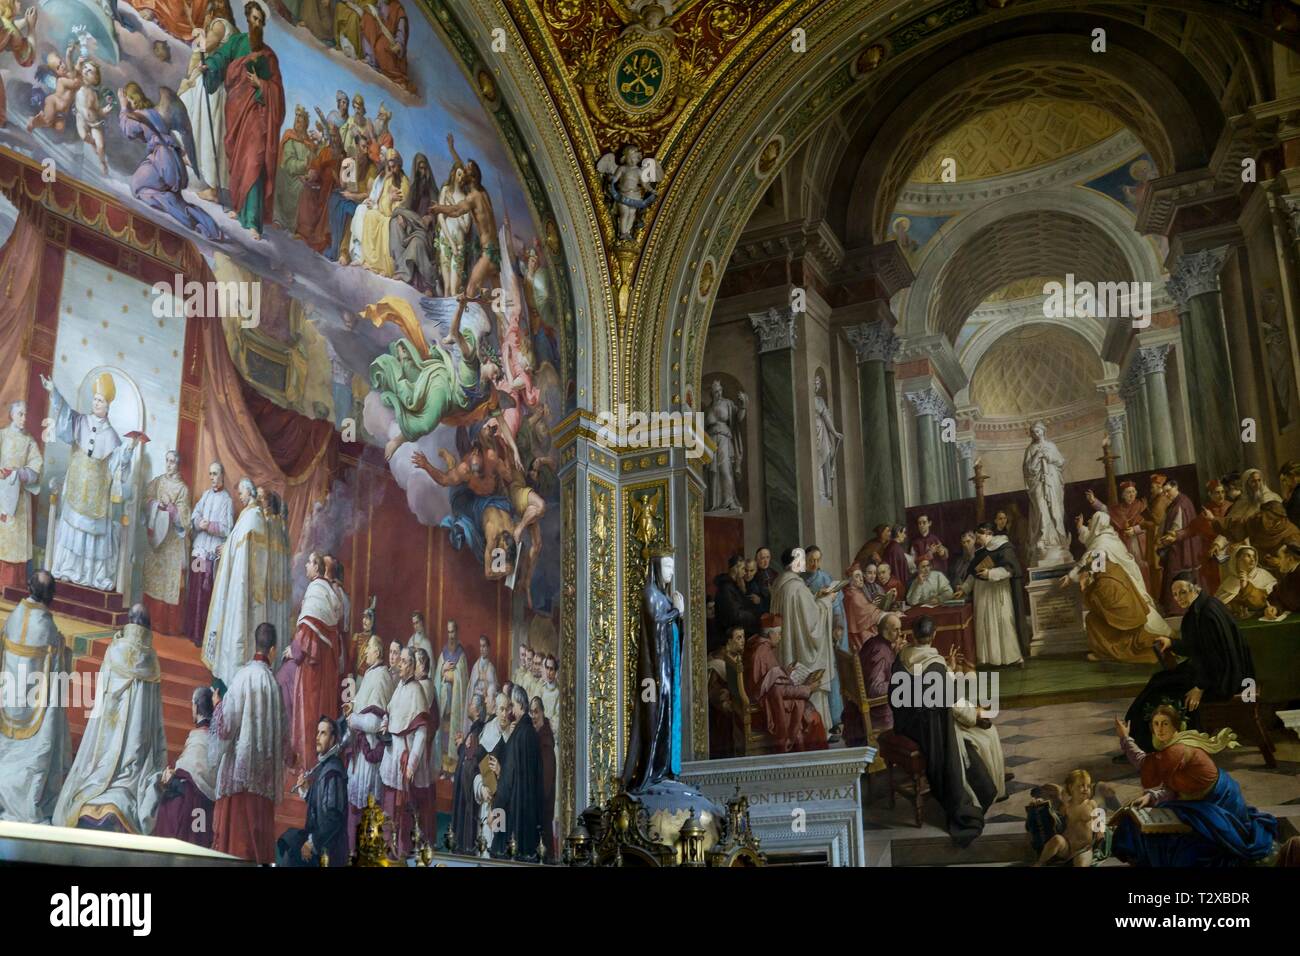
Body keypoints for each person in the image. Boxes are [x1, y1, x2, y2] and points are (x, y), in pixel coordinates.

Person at [1111, 707, 1276, 866]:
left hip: (1217, 802)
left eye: (1165, 723)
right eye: (1156, 724)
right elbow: (1174, 786)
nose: (1160, 729)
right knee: (1137, 823)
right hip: (1195, 801)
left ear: (1176, 725)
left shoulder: (1178, 749)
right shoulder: (1172, 747)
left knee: (1183, 846)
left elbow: (1144, 764)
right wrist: (1152, 796)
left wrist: (1125, 738)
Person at [889, 614, 1001, 847]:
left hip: (906, 724)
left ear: (912, 635)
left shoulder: (903, 656)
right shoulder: (935, 666)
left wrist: (948, 671)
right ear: (935, 635)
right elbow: (954, 706)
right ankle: (988, 789)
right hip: (931, 731)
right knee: (984, 735)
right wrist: (977, 714)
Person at [54, 605, 166, 833]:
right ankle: (118, 797)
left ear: (130, 621)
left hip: (107, 734)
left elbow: (102, 696)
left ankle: (96, 797)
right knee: (132, 766)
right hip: (137, 741)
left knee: (99, 762)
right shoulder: (151, 659)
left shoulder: (115, 650)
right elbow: (155, 716)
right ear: (147, 626)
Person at [1123, 573, 1256, 752]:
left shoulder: (1206, 613)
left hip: (1223, 679)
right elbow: (1199, 647)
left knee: (1160, 689)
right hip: (1216, 672)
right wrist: (1172, 643)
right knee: (1158, 680)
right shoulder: (1203, 606)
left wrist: (1199, 688)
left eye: (1183, 592)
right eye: (1175, 595)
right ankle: (1140, 742)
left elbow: (1216, 657)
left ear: (1196, 589)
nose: (1178, 598)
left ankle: (1150, 746)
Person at [40, 372, 136, 591]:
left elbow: (118, 463)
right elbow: (64, 413)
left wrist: (129, 449)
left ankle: (89, 575)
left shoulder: (112, 435)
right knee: (73, 524)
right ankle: (66, 569)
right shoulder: (80, 421)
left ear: (108, 406)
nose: (96, 403)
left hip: (97, 494)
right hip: (76, 486)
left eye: (100, 400)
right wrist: (53, 392)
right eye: (95, 399)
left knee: (91, 532)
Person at [202, 0, 286, 238]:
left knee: (255, 160)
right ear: (247, 18)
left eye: (260, 21)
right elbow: (220, 59)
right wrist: (209, 66)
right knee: (239, 160)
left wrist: (262, 85)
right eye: (253, 19)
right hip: (236, 110)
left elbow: (278, 91)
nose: (256, 24)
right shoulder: (236, 43)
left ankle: (253, 221)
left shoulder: (269, 56)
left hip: (258, 114)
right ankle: (240, 209)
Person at [210, 622, 285, 863]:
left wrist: (217, 705)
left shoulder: (242, 677)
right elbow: (283, 735)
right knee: (257, 847)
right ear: (273, 649)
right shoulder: (274, 686)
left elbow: (226, 726)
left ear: (256, 644)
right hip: (262, 782)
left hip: (239, 780)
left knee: (235, 845)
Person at [0, 571, 70, 823]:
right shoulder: (48, 629)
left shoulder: (14, 617)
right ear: (51, 596)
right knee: (32, 756)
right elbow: (58, 668)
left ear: (29, 587)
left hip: (7, 701)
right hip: (34, 711)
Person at [1059, 510, 1171, 660]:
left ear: (1098, 524)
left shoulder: (1101, 544)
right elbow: (1091, 539)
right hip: (1122, 581)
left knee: (1102, 619)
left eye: (1091, 520)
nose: (1089, 522)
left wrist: (1071, 577)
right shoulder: (1108, 535)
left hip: (1115, 586)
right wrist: (1080, 527)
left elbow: (1091, 562)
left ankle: (1111, 651)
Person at [117, 83, 222, 238]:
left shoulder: (139, 115)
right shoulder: (156, 112)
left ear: (131, 98)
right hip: (172, 158)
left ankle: (180, 211)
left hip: (162, 160)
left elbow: (128, 130)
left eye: (128, 99)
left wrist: (123, 107)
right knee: (166, 193)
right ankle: (207, 226)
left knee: (138, 186)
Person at [201, 478, 268, 684]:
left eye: (241, 493)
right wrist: (228, 545)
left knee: (237, 632)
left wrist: (227, 547)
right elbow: (236, 543)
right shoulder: (249, 515)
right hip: (236, 585)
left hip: (241, 588)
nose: (239, 497)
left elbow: (246, 554)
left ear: (249, 492)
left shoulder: (253, 517)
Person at [281, 551, 343, 772]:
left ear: (316, 568)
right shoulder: (328, 591)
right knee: (319, 713)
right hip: (324, 667)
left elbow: (306, 635)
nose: (306, 566)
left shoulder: (316, 590)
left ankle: (306, 765)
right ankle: (314, 764)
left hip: (311, 670)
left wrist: (293, 651)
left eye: (309, 562)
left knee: (307, 714)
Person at [770, 547, 837, 730]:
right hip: (801, 649)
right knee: (810, 678)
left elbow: (799, 611)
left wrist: (816, 596)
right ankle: (817, 730)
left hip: (788, 646)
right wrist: (827, 601)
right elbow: (812, 621)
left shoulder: (781, 582)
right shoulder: (797, 587)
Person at [743, 613, 828, 753]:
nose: (781, 637)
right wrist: (807, 688)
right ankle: (812, 762)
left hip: (763, 701)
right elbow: (777, 690)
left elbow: (769, 680)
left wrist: (785, 673)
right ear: (770, 634)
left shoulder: (757, 645)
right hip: (764, 710)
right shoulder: (763, 652)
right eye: (779, 633)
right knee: (814, 718)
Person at [342, 633, 394, 855]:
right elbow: (364, 705)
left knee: (369, 808)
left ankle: (367, 854)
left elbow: (375, 722)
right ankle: (353, 852)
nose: (365, 652)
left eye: (368, 649)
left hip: (370, 753)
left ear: (378, 652)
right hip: (360, 752)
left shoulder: (381, 677)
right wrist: (352, 707)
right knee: (356, 806)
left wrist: (353, 719)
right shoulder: (371, 673)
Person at [379, 646, 431, 856]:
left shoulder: (417, 690)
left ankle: (401, 851)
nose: (399, 665)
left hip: (405, 758)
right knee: (389, 805)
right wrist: (385, 722)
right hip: (392, 754)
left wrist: (412, 765)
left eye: (403, 661)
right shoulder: (400, 686)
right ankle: (387, 849)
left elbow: (421, 733)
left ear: (411, 665)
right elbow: (389, 711)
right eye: (399, 661)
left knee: (403, 811)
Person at [953, 521, 1025, 666]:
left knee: (1004, 623)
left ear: (987, 533)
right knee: (986, 625)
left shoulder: (1004, 548)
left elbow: (1010, 570)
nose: (977, 540)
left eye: (979, 536)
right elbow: (973, 574)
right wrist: (964, 588)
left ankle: (1014, 657)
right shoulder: (981, 552)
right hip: (982, 594)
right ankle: (990, 659)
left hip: (998, 592)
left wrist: (990, 573)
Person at [278, 716, 348, 866]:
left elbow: (333, 818)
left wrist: (311, 844)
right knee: (286, 842)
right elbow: (321, 805)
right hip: (318, 838)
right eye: (318, 732)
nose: (317, 737)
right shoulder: (324, 767)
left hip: (327, 849)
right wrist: (306, 791)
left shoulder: (333, 773)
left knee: (289, 858)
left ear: (333, 739)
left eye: (323, 733)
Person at [152, 687, 217, 847]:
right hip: (207, 808)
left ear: (195, 707)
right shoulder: (215, 739)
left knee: (164, 808)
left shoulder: (198, 737)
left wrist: (171, 777)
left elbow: (189, 773)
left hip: (189, 802)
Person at [490, 684, 545, 858]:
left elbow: (507, 781)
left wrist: (496, 811)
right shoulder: (532, 735)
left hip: (513, 814)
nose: (511, 710)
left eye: (513, 705)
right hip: (530, 816)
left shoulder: (518, 736)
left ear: (521, 706)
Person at [141, 450, 191, 636]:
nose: (169, 465)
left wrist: (172, 510)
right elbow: (146, 500)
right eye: (167, 461)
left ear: (178, 464)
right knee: (152, 579)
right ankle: (148, 622)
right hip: (157, 542)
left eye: (173, 462)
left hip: (172, 544)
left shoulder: (183, 489)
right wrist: (156, 504)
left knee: (169, 584)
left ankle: (166, 627)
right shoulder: (158, 481)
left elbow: (185, 518)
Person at [186, 462, 232, 647]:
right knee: (194, 587)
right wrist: (199, 522)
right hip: (199, 551)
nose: (212, 477)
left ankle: (201, 635)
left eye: (215, 474)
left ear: (222, 476)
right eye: (210, 474)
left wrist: (210, 526)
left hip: (211, 553)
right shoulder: (205, 495)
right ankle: (191, 630)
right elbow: (194, 515)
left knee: (205, 593)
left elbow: (228, 528)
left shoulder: (227, 500)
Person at [0, 401, 42, 589]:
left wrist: (18, 474)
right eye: (20, 414)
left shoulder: (30, 442)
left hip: (19, 499)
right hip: (1, 492)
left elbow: (35, 469)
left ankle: (11, 586)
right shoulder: (2, 435)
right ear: (12, 415)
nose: (24, 419)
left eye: (26, 415)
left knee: (15, 540)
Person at [1085, 481, 1150, 590]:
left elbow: (1150, 524)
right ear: (1123, 495)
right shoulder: (1118, 509)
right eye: (1128, 492)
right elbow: (1105, 510)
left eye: (1133, 492)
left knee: (1142, 566)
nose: (1131, 494)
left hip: (1140, 542)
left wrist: (1135, 530)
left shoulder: (1142, 506)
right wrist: (1093, 500)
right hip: (1124, 543)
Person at [1156, 478, 1202, 616]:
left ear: (1175, 487)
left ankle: (1177, 609)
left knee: (1175, 575)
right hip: (1179, 545)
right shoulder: (1177, 503)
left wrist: (1166, 540)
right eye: (1164, 492)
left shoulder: (1181, 504)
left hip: (1182, 548)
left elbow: (1178, 529)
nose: (1166, 494)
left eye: (1168, 491)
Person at [857, 610, 907, 734]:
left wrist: (895, 653)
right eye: (896, 630)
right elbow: (875, 689)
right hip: (880, 712)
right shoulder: (881, 652)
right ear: (885, 631)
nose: (900, 633)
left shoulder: (873, 642)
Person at [433, 619, 468, 778]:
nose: (451, 635)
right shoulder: (444, 653)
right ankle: (444, 768)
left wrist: (453, 676)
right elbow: (436, 676)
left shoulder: (461, 655)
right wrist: (442, 669)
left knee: (453, 735)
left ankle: (453, 769)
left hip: (455, 704)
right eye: (448, 632)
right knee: (444, 736)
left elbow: (463, 678)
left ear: (457, 632)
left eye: (453, 631)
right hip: (444, 705)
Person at [707, 627, 746, 758]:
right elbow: (713, 690)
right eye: (738, 638)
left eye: (743, 637)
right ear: (729, 641)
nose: (742, 641)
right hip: (721, 712)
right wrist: (725, 700)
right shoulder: (718, 661)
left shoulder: (738, 654)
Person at [1215, 545, 1276, 620]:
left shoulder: (1263, 575)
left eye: (1254, 556)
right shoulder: (1230, 581)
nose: (1252, 559)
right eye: (1248, 556)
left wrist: (1246, 586)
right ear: (1237, 559)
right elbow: (1219, 605)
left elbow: (1269, 600)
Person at [529, 695, 557, 860]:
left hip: (542, 807)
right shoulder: (537, 736)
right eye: (531, 712)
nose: (533, 716)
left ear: (543, 712)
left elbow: (545, 784)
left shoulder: (545, 742)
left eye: (536, 712)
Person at [714, 554, 760, 643]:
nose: (745, 572)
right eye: (743, 569)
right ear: (735, 569)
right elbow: (734, 615)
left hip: (737, 631)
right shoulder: (726, 588)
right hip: (729, 636)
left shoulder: (735, 585)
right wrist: (753, 615)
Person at [842, 564, 884, 652]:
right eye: (857, 576)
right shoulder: (853, 595)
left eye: (861, 576)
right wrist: (885, 614)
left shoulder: (854, 592)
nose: (861, 579)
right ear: (850, 579)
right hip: (859, 635)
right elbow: (868, 612)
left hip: (862, 630)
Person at [469, 633, 498, 707]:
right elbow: (472, 687)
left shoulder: (491, 668)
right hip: (477, 699)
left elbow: (494, 686)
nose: (481, 649)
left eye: (484, 646)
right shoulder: (476, 666)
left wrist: (489, 692)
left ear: (488, 648)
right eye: (480, 646)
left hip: (488, 699)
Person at [749, 546, 779, 614]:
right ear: (756, 559)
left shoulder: (775, 573)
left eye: (767, 557)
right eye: (762, 558)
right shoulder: (752, 575)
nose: (766, 561)